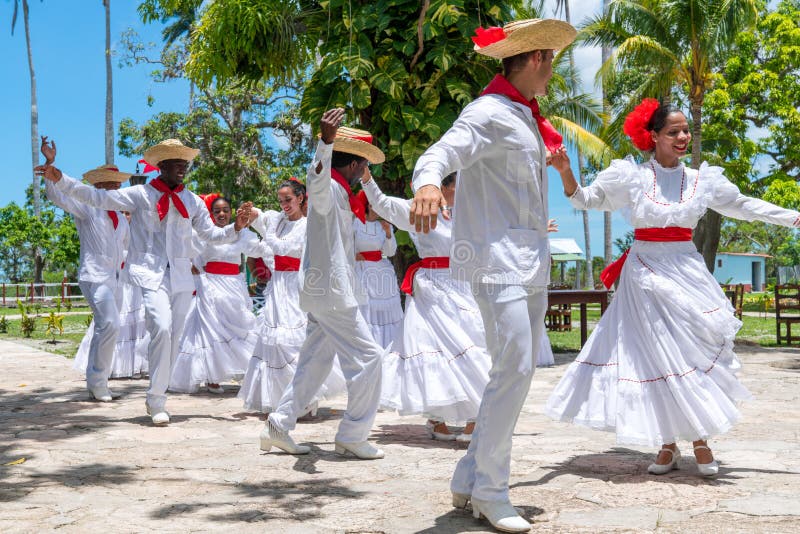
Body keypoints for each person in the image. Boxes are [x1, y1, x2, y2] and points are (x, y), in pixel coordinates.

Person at [545, 98, 800, 477]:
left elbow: (744, 205)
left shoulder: (701, 180)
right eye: (673, 132)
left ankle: (699, 439)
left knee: (690, 353)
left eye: (686, 131)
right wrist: (566, 171)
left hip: (686, 268)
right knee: (656, 356)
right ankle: (668, 444)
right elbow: (586, 200)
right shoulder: (630, 177)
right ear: (653, 137)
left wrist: (793, 217)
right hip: (644, 272)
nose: (683, 137)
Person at [409, 19, 577, 532]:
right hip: (495, 260)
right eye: (551, 62)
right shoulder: (486, 112)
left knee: (513, 372)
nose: (553, 72)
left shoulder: (527, 118)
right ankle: (491, 490)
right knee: (517, 368)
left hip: (529, 261)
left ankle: (469, 474)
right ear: (535, 60)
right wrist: (428, 182)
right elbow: (443, 151)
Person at [35, 138, 253, 426]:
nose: (182, 168)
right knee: (161, 327)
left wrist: (236, 228)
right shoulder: (140, 195)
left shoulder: (193, 201)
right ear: (161, 166)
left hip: (181, 279)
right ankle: (155, 398)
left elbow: (211, 235)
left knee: (174, 337)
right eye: (176, 163)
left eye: (185, 163)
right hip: (150, 276)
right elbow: (96, 197)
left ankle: (156, 397)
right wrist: (60, 178)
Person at [259, 109, 387, 460]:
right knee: (370, 359)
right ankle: (352, 433)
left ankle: (279, 424)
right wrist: (325, 143)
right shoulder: (329, 185)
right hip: (330, 292)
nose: (366, 170)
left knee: (314, 362)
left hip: (326, 291)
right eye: (364, 164)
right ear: (357, 164)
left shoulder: (344, 192)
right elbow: (314, 180)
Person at [362, 172, 490, 443]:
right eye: (459, 185)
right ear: (443, 187)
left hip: (463, 284)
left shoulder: (472, 211)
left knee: (469, 344)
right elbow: (382, 203)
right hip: (430, 286)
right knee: (430, 349)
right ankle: (436, 417)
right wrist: (366, 178)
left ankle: (476, 416)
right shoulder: (416, 209)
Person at [238, 180, 346, 413]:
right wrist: (248, 210)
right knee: (273, 339)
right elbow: (258, 215)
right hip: (277, 285)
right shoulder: (277, 221)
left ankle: (307, 398)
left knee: (297, 340)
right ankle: (279, 398)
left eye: (288, 199)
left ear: (300, 198)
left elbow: (284, 248)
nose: (284, 204)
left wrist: (267, 232)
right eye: (281, 200)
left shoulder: (306, 225)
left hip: (296, 284)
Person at [40, 137, 129, 402]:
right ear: (98, 187)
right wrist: (50, 165)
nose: (116, 187)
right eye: (111, 184)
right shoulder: (88, 209)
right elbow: (57, 195)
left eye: (118, 184)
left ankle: (96, 378)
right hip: (93, 276)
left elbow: (126, 248)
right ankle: (98, 380)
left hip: (116, 279)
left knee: (108, 326)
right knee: (109, 323)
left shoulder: (122, 218)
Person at [170, 195, 268, 394]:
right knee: (211, 329)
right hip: (210, 285)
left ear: (231, 212)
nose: (222, 214)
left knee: (239, 326)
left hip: (234, 286)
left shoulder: (243, 233)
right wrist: (191, 267)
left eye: (225, 210)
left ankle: (246, 371)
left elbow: (259, 250)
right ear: (211, 214)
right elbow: (188, 253)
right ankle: (212, 376)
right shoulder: (203, 234)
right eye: (217, 211)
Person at [353, 193, 403, 348]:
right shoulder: (355, 223)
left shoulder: (385, 225)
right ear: (368, 205)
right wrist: (353, 255)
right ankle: (370, 347)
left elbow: (390, 251)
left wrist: (388, 233)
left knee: (387, 309)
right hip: (363, 271)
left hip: (382, 271)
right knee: (367, 308)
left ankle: (391, 346)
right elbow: (346, 245)